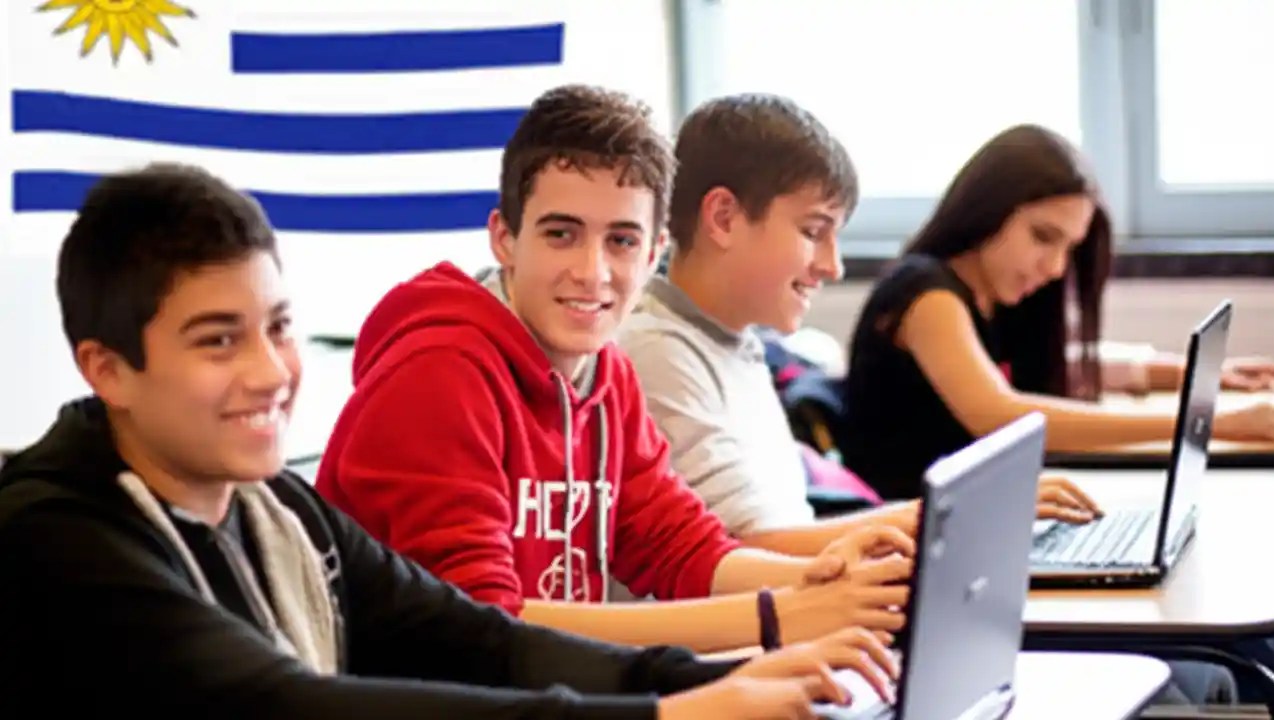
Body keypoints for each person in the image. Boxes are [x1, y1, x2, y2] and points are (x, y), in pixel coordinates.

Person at [0, 163, 901, 718]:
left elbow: (475, 638)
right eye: (217, 341)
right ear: (107, 369)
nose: (271, 373)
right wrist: (676, 712)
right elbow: (288, 705)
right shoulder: (56, 536)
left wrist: (713, 678)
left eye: (277, 328)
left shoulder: (274, 504)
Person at [314, 84, 914, 654]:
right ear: (504, 239)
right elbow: (483, 627)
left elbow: (684, 549)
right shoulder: (437, 375)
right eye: (561, 234)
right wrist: (776, 615)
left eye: (621, 241)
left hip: (554, 692)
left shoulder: (607, 373)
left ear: (653, 252)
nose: (592, 272)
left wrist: (822, 579)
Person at [617, 95, 1101, 560]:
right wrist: (971, 513)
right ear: (723, 218)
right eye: (813, 232)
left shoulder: (734, 342)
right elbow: (750, 548)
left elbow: (778, 532)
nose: (833, 266)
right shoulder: (660, 353)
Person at [835, 123, 1274, 501]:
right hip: (907, 529)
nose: (1054, 268)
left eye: (1068, 247)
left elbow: (1051, 361)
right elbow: (999, 413)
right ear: (986, 211)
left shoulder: (990, 296)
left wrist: (1190, 376)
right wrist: (1211, 421)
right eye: (1043, 237)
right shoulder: (927, 295)